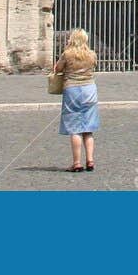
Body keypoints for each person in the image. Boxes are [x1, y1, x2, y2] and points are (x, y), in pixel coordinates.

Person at [53, 28, 100, 172]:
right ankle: (90, 160)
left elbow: (57, 69)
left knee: (75, 128)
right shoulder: (92, 54)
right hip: (89, 90)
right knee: (88, 128)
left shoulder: (67, 54)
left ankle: (77, 163)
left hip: (72, 89)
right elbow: (94, 67)